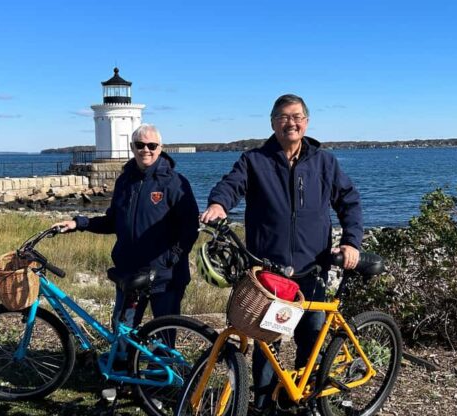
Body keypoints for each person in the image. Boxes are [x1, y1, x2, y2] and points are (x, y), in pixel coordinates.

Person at [200, 94, 363, 414]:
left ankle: (303, 401)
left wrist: (352, 242)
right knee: (268, 342)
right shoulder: (254, 160)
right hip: (269, 273)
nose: (292, 122)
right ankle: (262, 405)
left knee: (312, 338)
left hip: (312, 269)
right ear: (273, 122)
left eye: (298, 116)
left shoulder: (324, 162)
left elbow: (349, 201)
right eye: (284, 117)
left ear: (307, 121)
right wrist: (218, 204)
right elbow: (230, 185)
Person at [53, 123, 199, 344]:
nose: (145, 150)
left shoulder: (175, 183)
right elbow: (113, 221)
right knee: (123, 332)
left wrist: (171, 258)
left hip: (165, 276)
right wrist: (79, 223)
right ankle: (124, 374)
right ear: (132, 147)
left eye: (151, 145)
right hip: (129, 274)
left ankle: (167, 376)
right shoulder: (124, 181)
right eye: (140, 145)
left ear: (161, 148)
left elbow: (189, 228)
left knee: (165, 335)